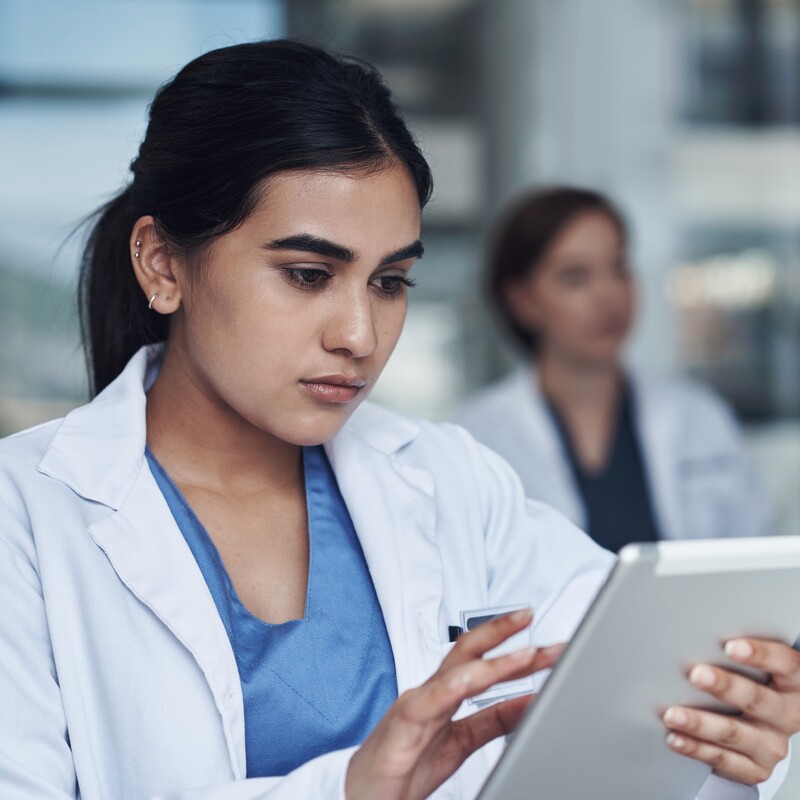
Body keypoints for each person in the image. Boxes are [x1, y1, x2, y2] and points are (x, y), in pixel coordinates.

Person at [0, 42, 797, 800]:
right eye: (309, 275)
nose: (358, 335)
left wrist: (728, 728)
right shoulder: (27, 518)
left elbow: (620, 727)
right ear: (163, 265)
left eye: (389, 282)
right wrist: (347, 790)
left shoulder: (451, 480)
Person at [454, 187, 776, 553]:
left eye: (618, 268)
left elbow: (756, 557)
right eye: (576, 277)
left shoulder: (698, 417)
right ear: (523, 301)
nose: (608, 295)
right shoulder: (478, 437)